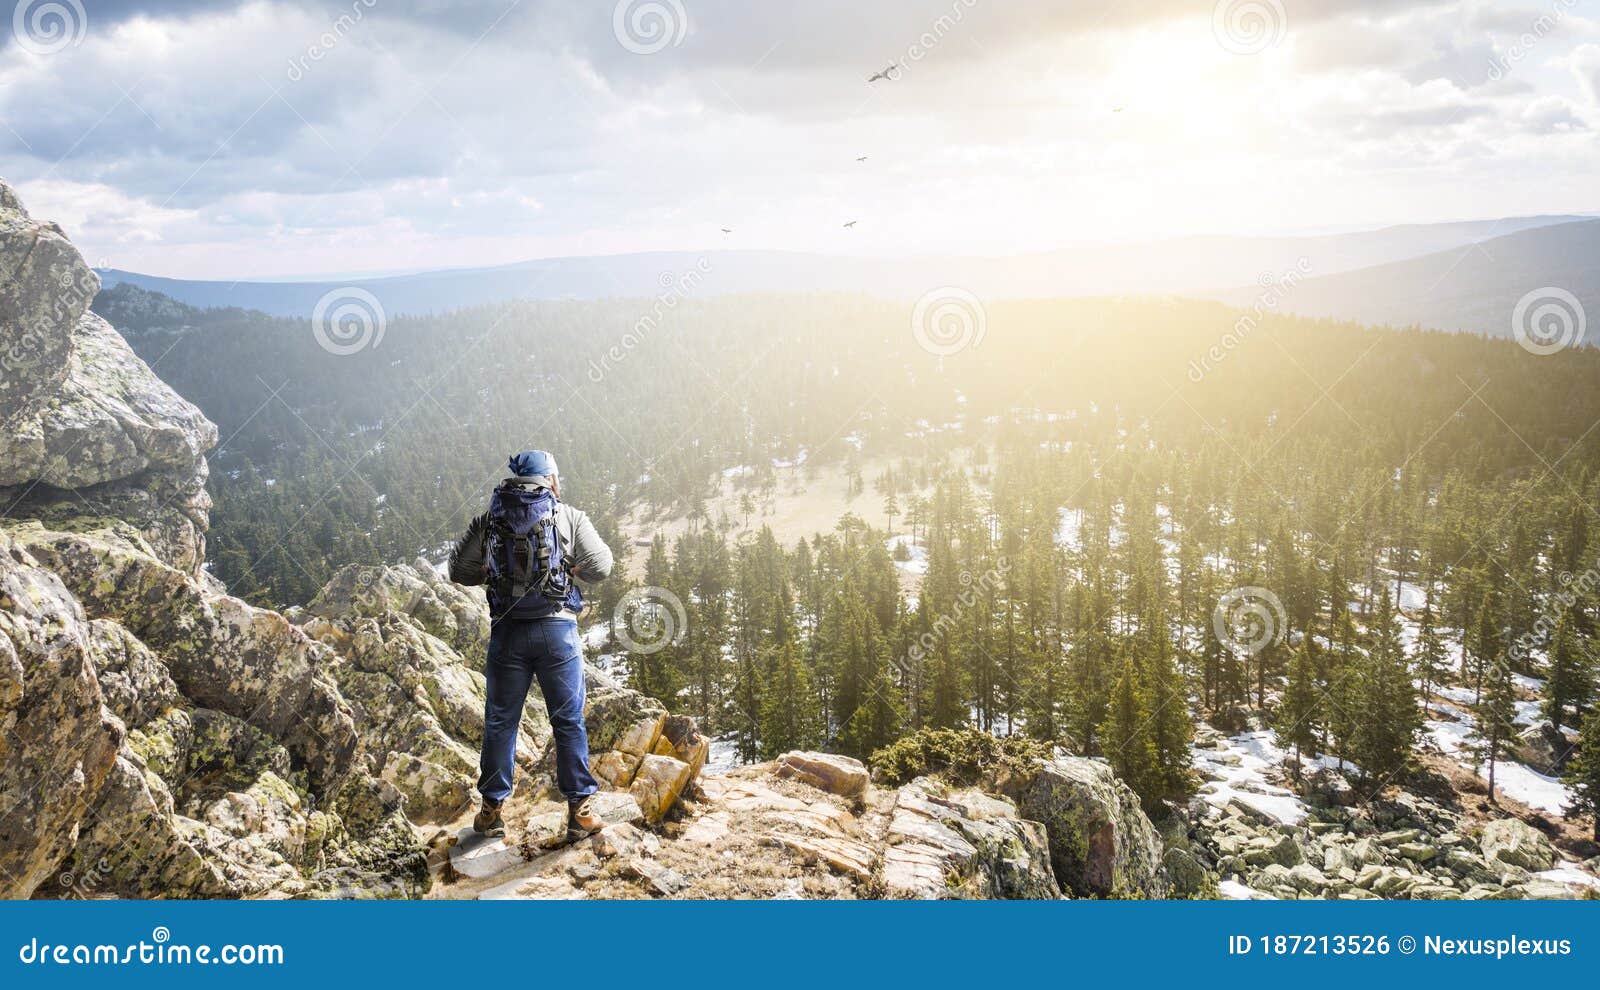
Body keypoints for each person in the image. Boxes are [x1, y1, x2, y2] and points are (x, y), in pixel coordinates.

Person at [448, 449, 614, 840]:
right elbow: (603, 565)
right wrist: (572, 570)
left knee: (501, 721)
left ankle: (491, 812)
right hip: (557, 631)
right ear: (550, 479)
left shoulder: (489, 518)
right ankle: (580, 812)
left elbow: (458, 570)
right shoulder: (569, 516)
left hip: (508, 632)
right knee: (567, 720)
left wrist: (489, 574)